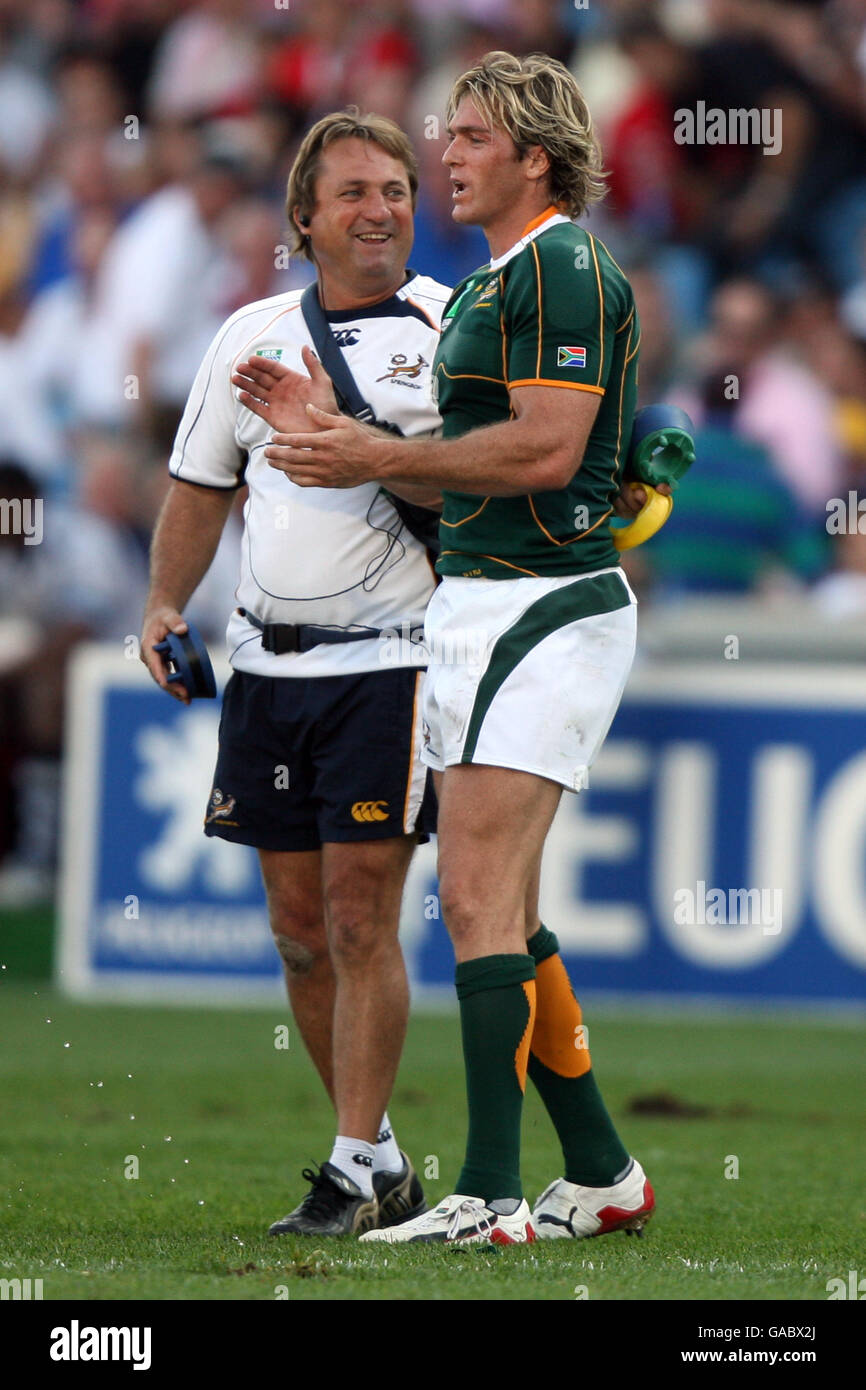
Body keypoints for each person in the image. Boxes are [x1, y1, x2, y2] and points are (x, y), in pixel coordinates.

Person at [263, 52, 657, 1245]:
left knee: (473, 896)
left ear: (534, 155)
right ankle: (597, 1169)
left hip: (536, 601)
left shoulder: (563, 267)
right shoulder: (499, 279)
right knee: (509, 911)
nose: (450, 152)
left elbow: (541, 451)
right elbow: (494, 448)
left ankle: (487, 1193)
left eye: (473, 135)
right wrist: (341, 436)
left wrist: (372, 458)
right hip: (482, 599)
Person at [140, 110, 452, 1237]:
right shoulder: (250, 334)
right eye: (357, 191)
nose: (382, 209)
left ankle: (346, 1167)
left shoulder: (450, 331)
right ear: (305, 218)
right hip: (267, 664)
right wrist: (166, 603)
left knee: (363, 912)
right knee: (297, 926)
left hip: (393, 657)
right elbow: (198, 484)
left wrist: (352, 436)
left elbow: (477, 498)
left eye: (398, 187)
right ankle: (375, 1157)